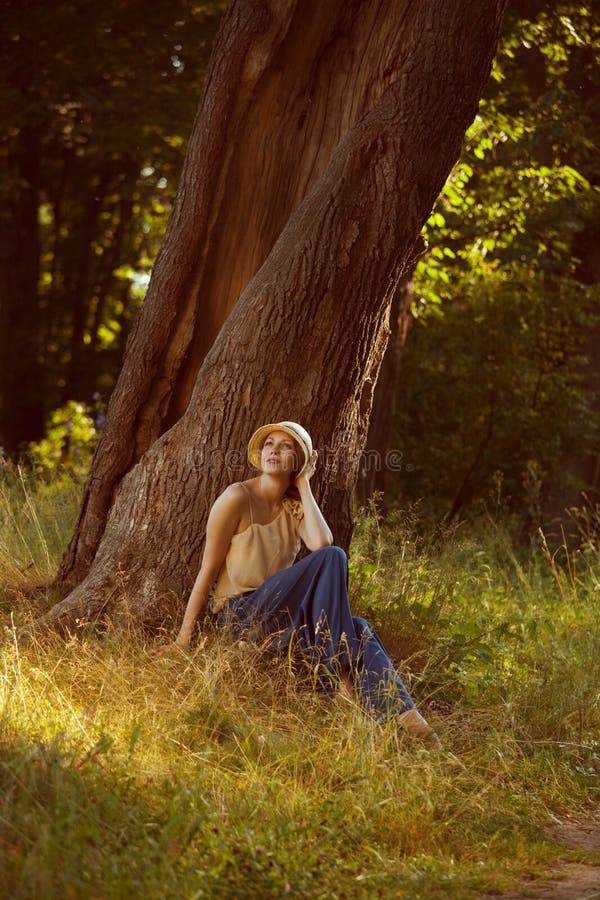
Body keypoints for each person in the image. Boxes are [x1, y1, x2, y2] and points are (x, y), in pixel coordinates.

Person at [158, 421, 439, 743]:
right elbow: (207, 570)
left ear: (300, 460)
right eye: (269, 444)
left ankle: (410, 721)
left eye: (286, 446)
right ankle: (340, 681)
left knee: (358, 626)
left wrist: (304, 483)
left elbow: (321, 541)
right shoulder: (237, 497)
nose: (274, 450)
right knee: (334, 559)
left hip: (284, 616)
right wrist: (183, 640)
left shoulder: (293, 507)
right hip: (240, 614)